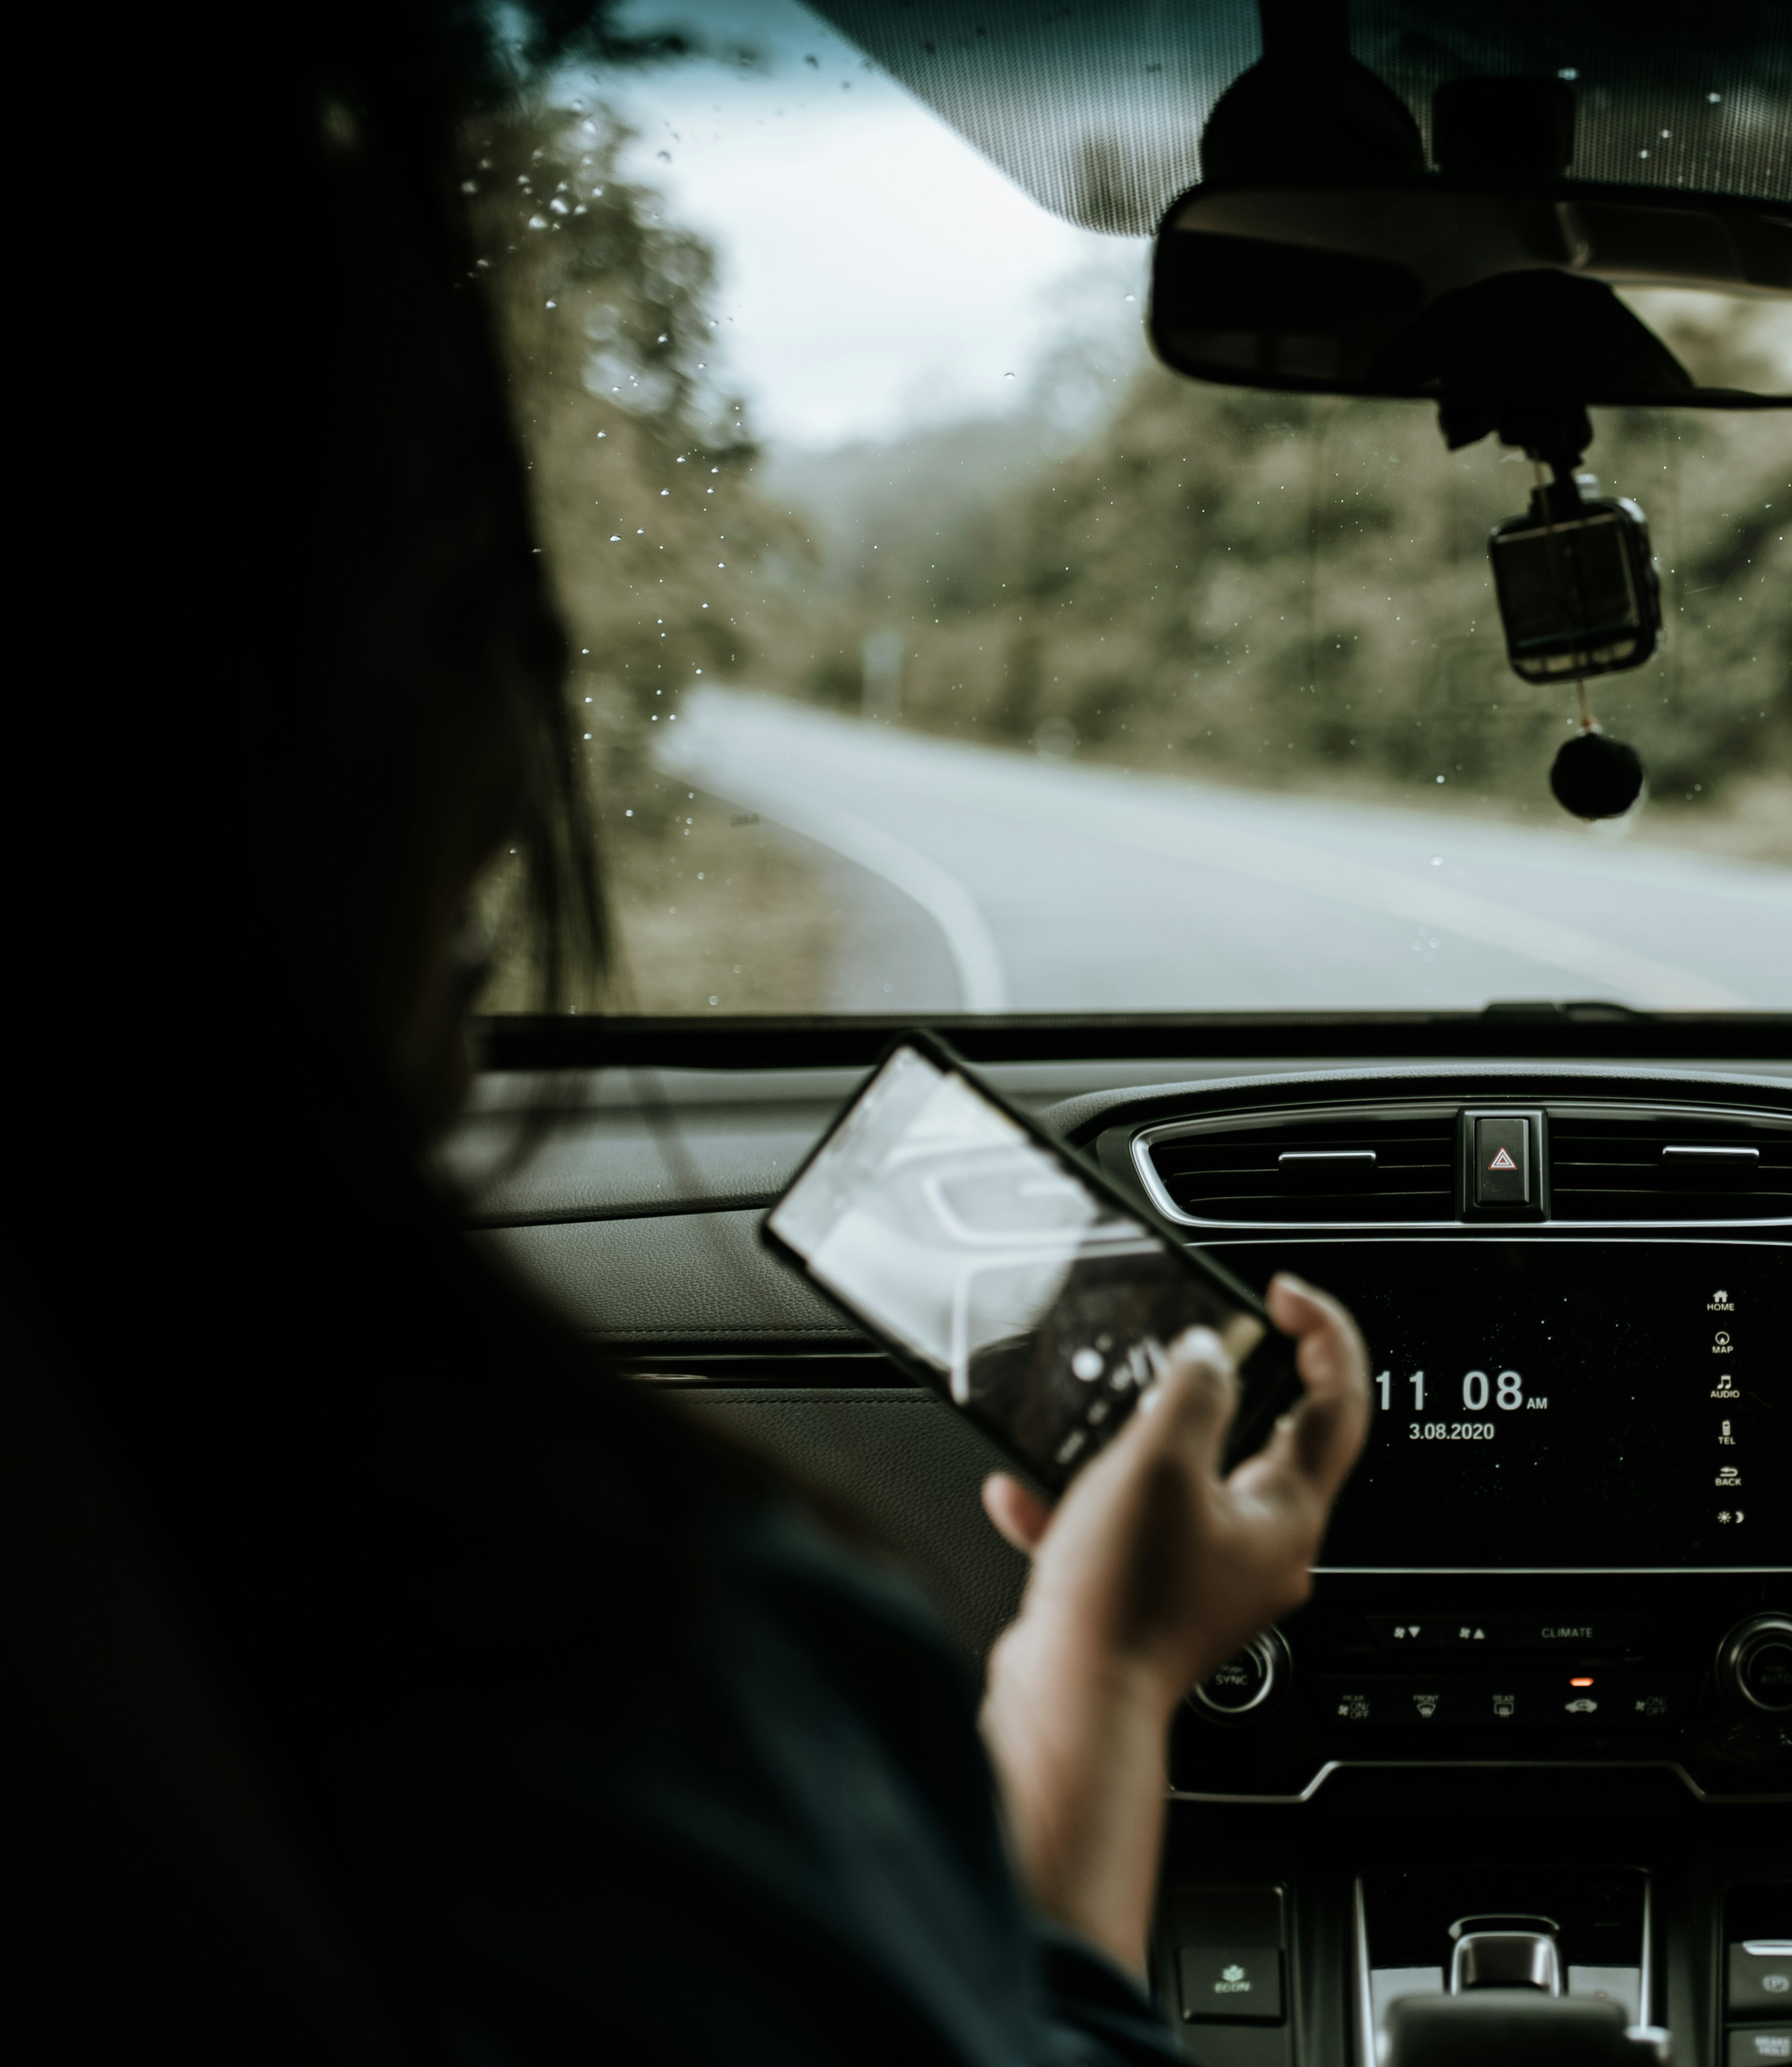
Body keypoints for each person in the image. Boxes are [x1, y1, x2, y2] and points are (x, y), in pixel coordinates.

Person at [5, 5, 1369, 2059]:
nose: (499, 743)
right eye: (460, 603)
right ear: (172, 697)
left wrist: (1104, 1644)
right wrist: (1105, 1669)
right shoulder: (571, 1664)